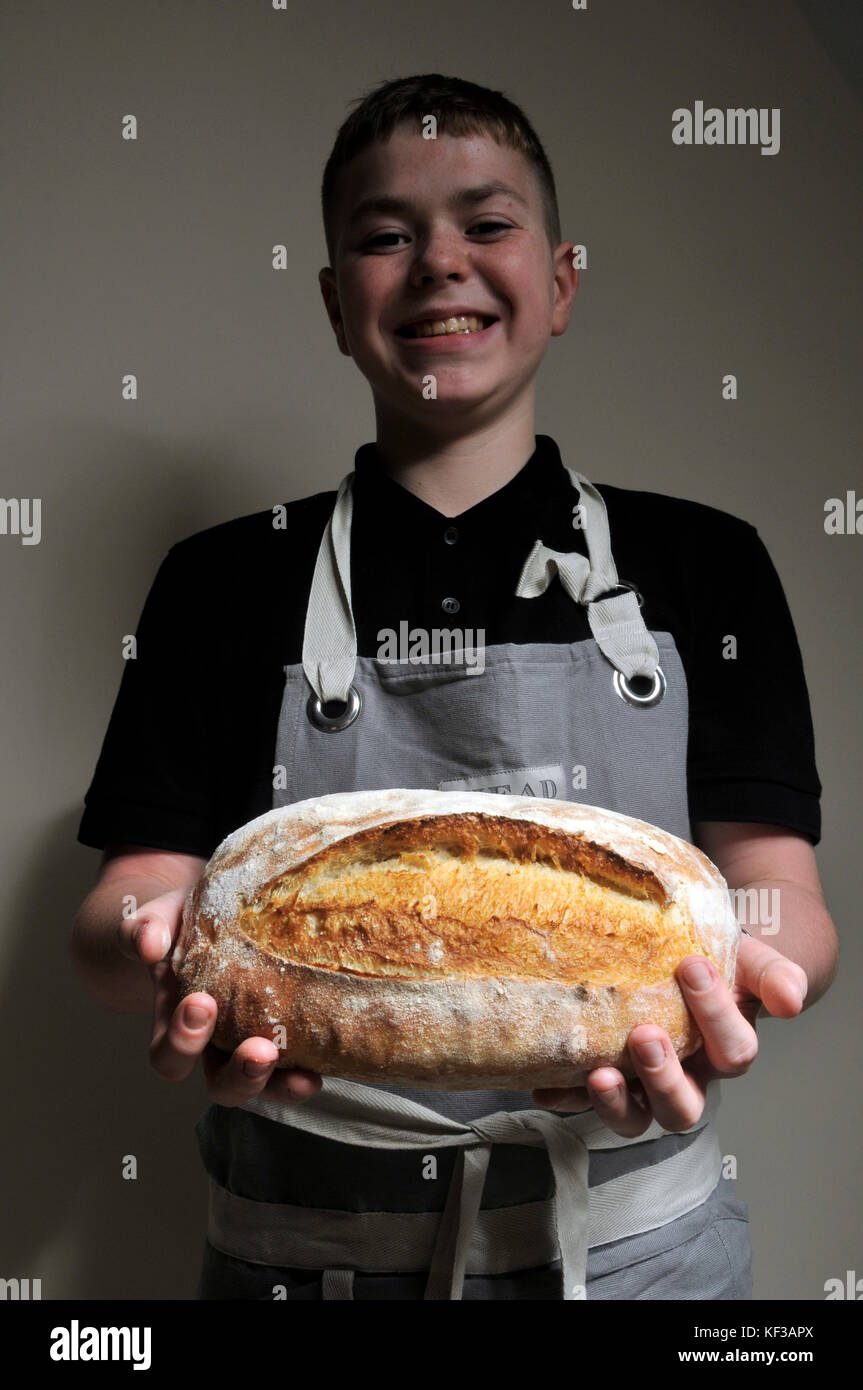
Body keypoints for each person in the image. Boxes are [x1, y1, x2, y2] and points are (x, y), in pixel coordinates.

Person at [71, 73, 838, 1301]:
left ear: (562, 280)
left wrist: (738, 981)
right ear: (335, 303)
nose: (439, 263)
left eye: (486, 225)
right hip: (300, 1262)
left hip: (638, 1267)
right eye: (385, 236)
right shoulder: (222, 578)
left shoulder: (704, 562)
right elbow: (127, 908)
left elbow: (774, 896)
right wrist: (164, 951)